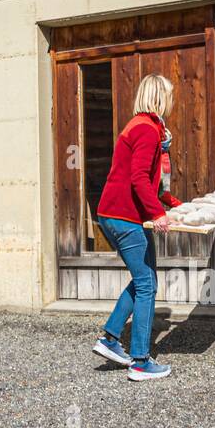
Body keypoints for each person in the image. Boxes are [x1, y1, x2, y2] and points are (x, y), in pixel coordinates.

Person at [92, 74, 175, 380]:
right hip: (124, 217)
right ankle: (140, 361)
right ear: (159, 98)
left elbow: (148, 178)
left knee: (144, 279)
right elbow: (138, 177)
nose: (172, 102)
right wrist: (159, 214)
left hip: (117, 214)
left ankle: (110, 338)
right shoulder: (146, 130)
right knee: (146, 284)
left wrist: (171, 202)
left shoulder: (144, 127)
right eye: (169, 95)